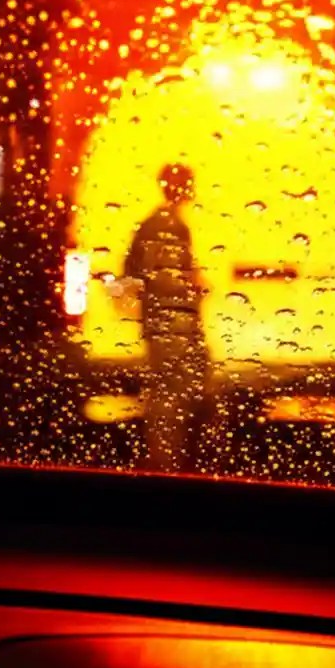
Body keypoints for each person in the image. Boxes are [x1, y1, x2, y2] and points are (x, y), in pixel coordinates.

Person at [126, 164, 208, 471]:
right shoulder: (170, 227)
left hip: (162, 323)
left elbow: (132, 271)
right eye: (187, 183)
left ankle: (165, 460)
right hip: (172, 325)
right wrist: (192, 290)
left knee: (168, 393)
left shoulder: (152, 224)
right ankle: (167, 465)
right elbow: (166, 279)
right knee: (171, 396)